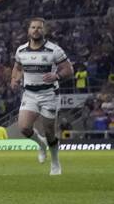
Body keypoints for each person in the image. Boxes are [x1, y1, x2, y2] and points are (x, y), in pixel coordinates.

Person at [11, 18, 73, 175]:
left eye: (39, 28)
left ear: (44, 31)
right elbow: (17, 68)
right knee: (24, 128)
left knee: (50, 131)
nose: (36, 30)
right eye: (33, 27)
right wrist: (15, 79)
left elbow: (68, 69)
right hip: (29, 94)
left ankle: (55, 162)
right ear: (28, 30)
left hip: (49, 94)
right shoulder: (21, 50)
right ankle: (41, 144)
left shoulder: (54, 50)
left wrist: (57, 76)